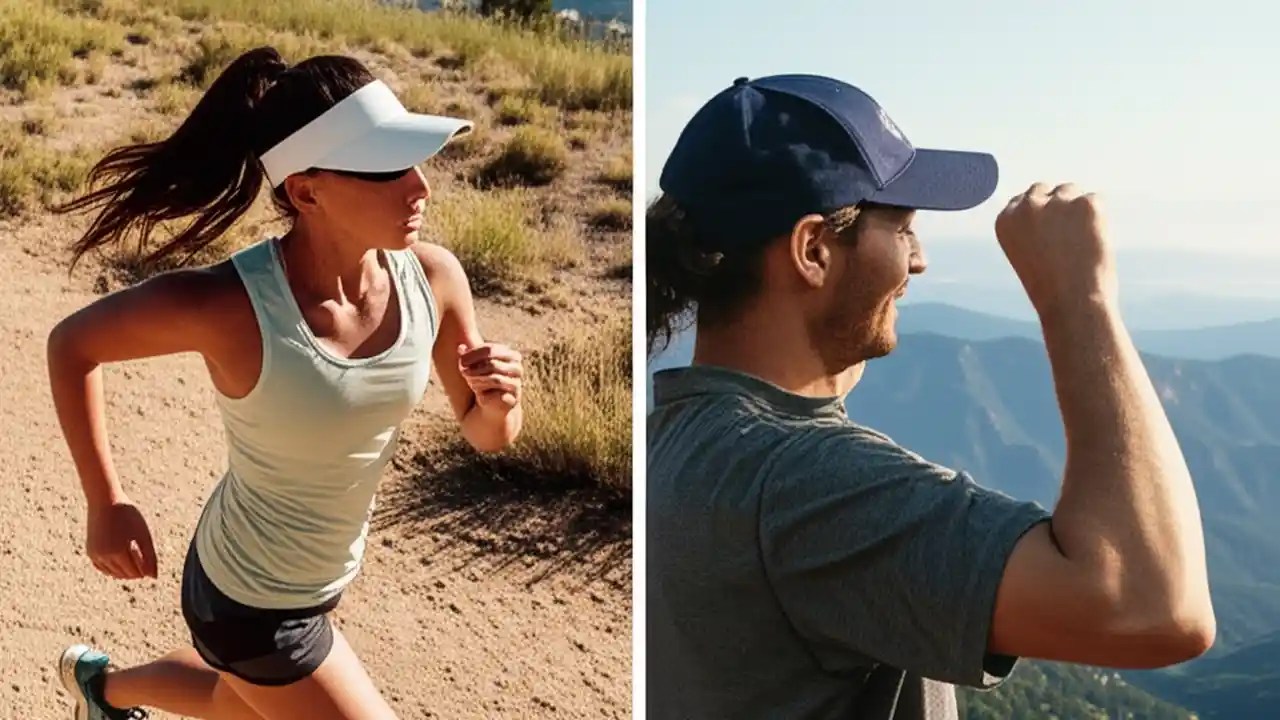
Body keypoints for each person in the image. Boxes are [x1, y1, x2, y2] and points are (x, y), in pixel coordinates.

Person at [645, 74, 1216, 719]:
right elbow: (1156, 607)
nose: (918, 261)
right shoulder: (801, 482)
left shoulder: (671, 443)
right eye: (904, 228)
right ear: (813, 250)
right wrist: (1079, 299)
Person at [46, 46, 525, 720]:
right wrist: (106, 502)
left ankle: (102, 689)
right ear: (305, 190)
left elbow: (488, 433)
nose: (419, 187)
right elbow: (72, 345)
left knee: (232, 699)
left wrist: (501, 403)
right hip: (248, 598)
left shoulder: (435, 279)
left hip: (320, 577)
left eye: (417, 162)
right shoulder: (231, 306)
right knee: (260, 682)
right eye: (388, 168)